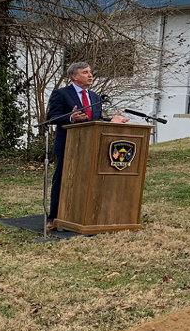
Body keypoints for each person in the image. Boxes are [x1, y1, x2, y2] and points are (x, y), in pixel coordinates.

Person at [44, 62, 129, 229]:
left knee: (89, 181)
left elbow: (93, 121)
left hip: (91, 147)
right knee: (62, 180)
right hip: (68, 145)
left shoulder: (95, 97)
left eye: (90, 72)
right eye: (85, 72)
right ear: (74, 76)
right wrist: (70, 118)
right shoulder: (61, 94)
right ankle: (54, 218)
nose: (90, 75)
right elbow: (52, 118)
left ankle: (84, 215)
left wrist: (111, 121)